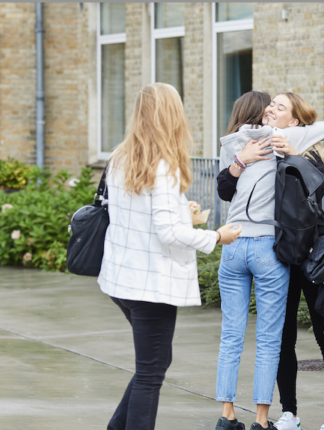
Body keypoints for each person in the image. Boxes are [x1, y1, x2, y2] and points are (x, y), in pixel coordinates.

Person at [97, 83, 242, 430]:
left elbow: (138, 215)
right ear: (171, 115)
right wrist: (216, 236)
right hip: (152, 284)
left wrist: (182, 214)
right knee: (151, 371)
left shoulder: (120, 157)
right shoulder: (163, 166)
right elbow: (168, 233)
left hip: (123, 281)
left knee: (154, 362)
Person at [217, 92, 324, 430]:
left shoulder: (307, 153)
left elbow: (313, 191)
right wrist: (244, 157)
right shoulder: (264, 145)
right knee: (282, 336)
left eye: (280, 107)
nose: (270, 109)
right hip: (280, 252)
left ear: (294, 121)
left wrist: (291, 152)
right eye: (270, 105)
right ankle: (288, 412)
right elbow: (228, 187)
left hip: (312, 252)